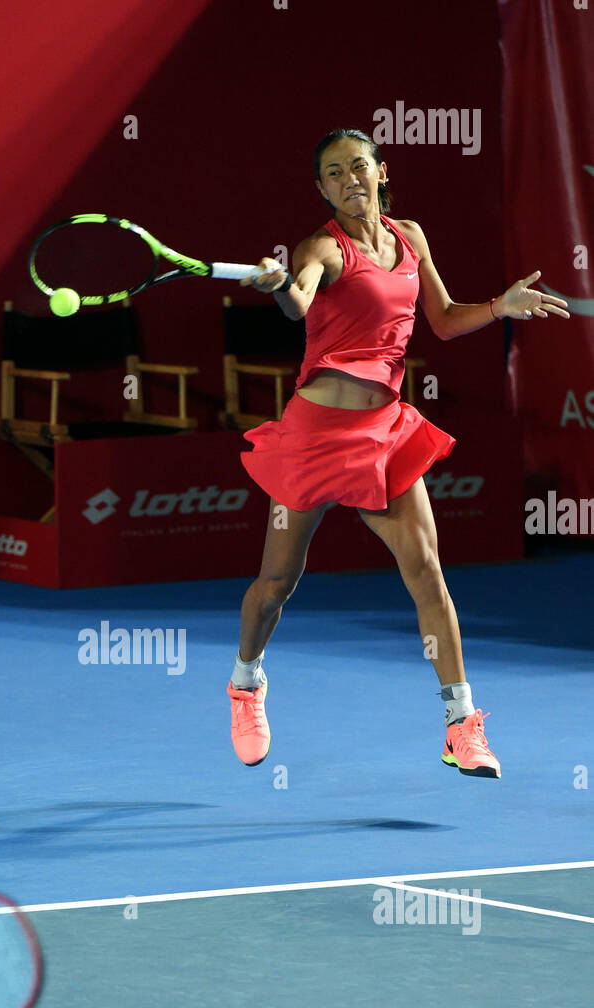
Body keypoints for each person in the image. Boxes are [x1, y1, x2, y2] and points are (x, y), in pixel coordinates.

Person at [229, 127, 570, 777]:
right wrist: (278, 283)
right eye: (334, 173)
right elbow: (297, 300)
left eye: (359, 166)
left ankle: (460, 724)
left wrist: (503, 305)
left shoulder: (410, 236)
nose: (349, 179)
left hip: (383, 433)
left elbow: (441, 320)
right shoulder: (321, 249)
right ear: (323, 189)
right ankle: (247, 684)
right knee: (277, 584)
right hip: (314, 437)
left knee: (427, 574)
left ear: (382, 172)